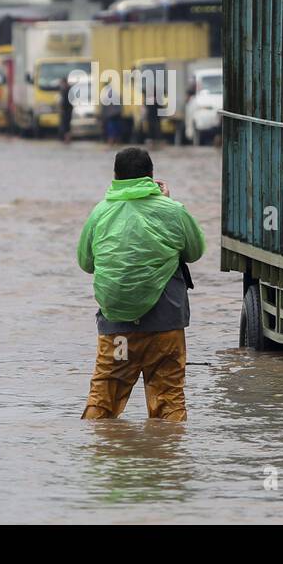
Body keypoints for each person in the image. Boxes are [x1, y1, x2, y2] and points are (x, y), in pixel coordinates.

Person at [77, 148, 206, 421]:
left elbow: (86, 263)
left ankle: (98, 453)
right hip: (165, 325)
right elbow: (194, 252)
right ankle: (168, 459)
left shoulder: (100, 212)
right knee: (169, 399)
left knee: (102, 400)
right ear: (151, 177)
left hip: (118, 331)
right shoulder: (172, 210)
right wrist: (167, 203)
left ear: (115, 177)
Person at [100, 81, 124, 147]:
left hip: (111, 115)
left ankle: (111, 143)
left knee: (111, 129)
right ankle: (117, 142)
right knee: (117, 129)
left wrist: (103, 115)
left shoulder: (105, 94)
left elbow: (104, 107)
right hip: (117, 114)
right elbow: (121, 104)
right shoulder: (116, 93)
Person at [58, 76, 74, 143]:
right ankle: (65, 138)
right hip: (66, 110)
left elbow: (66, 101)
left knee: (66, 125)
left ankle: (67, 139)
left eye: (62, 83)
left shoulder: (67, 90)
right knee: (65, 125)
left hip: (67, 110)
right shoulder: (64, 90)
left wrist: (62, 107)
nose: (61, 84)